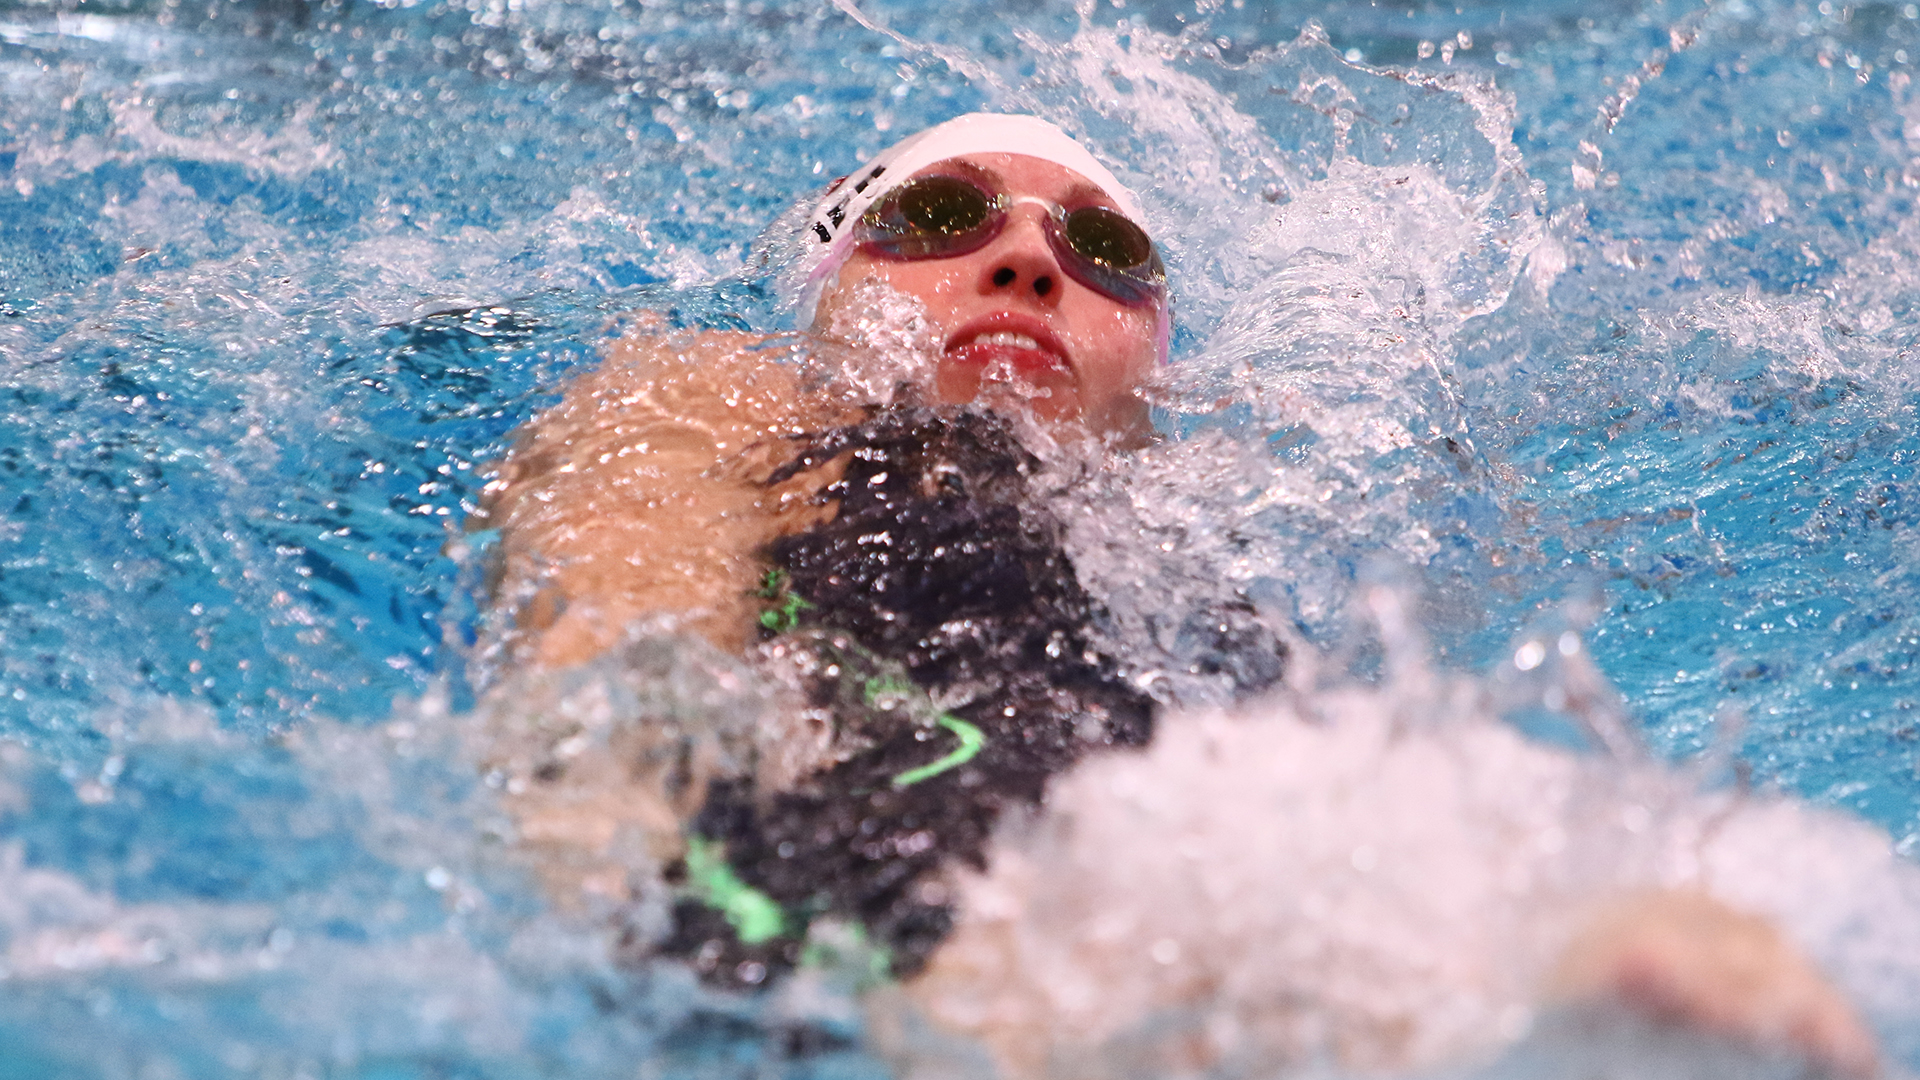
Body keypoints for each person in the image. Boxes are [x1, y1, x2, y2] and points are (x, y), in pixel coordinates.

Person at [470, 114, 1878, 1075]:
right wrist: (621, 876)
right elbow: (611, 658)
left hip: (1197, 875)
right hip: (868, 898)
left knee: (1716, 940)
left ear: (1155, 360)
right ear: (826, 282)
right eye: (942, 215)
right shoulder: (730, 392)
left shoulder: (1229, 513)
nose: (1026, 259)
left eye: (1108, 253)